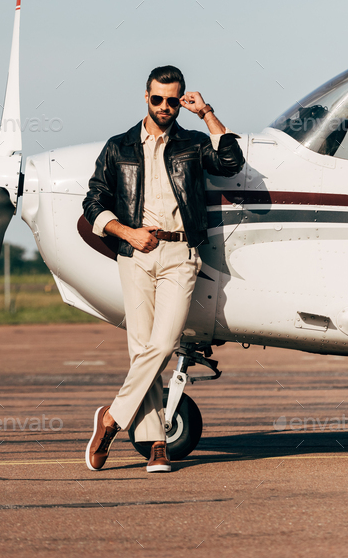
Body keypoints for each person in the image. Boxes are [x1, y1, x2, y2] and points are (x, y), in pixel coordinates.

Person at [82, 65, 244, 473]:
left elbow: (230, 161)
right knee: (142, 349)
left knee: (164, 342)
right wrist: (125, 232)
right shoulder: (118, 147)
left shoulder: (190, 143)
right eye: (158, 99)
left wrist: (206, 114)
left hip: (181, 254)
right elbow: (93, 202)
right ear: (146, 97)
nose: (166, 107)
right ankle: (155, 443)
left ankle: (111, 419)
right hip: (135, 255)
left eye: (174, 100)